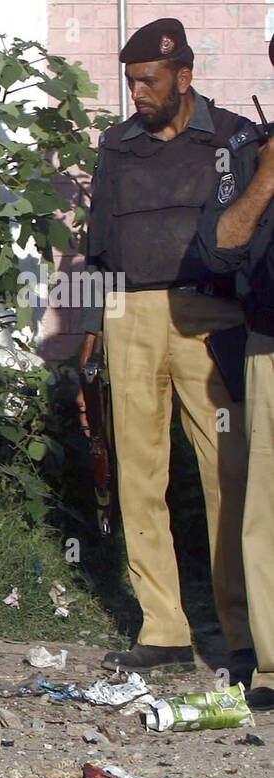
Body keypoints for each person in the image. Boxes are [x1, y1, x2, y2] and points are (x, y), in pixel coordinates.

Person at [80, 18, 255, 676]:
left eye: (149, 81)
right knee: (140, 476)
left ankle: (244, 633)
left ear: (184, 77)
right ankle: (164, 630)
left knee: (227, 478)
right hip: (130, 313)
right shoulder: (116, 145)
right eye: (131, 83)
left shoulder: (233, 136)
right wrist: (93, 333)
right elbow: (98, 244)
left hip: (210, 312)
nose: (138, 95)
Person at [193, 49, 274, 709]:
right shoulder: (244, 151)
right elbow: (218, 245)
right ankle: (273, 669)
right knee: (266, 515)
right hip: (271, 344)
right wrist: (268, 178)